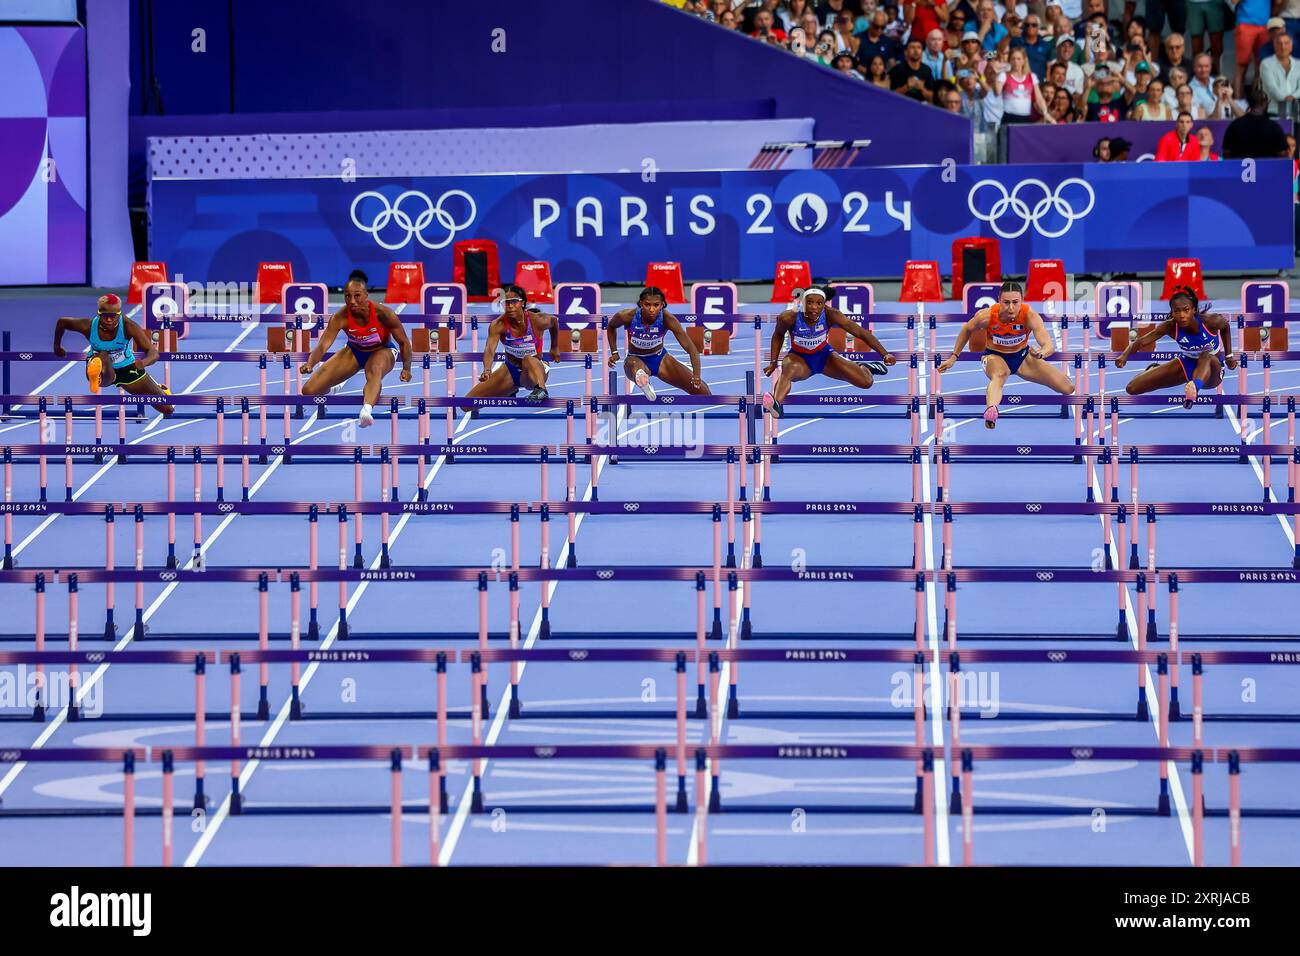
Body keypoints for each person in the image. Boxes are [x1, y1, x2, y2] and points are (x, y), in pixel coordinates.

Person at [936, 280, 1076, 429]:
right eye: (1006, 302)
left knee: (1068, 388)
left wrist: (1041, 353)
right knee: (1000, 374)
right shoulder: (986, 316)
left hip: (1022, 358)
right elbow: (966, 329)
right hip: (994, 356)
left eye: (1015, 302)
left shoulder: (1030, 316)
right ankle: (991, 411)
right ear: (999, 301)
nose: (1011, 308)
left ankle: (994, 407)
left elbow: (1048, 345)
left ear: (1022, 301)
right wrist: (954, 357)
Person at [299, 270, 413, 428]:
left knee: (374, 370)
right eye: (347, 296)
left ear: (366, 295)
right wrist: (310, 363)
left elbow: (404, 342)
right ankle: (331, 389)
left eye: (357, 295)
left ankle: (366, 411)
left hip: (383, 350)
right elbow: (323, 344)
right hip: (354, 351)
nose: (351, 301)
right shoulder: (340, 317)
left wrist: (406, 368)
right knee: (309, 390)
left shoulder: (384, 314)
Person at [762, 285, 896, 419]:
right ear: (802, 302)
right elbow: (778, 335)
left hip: (825, 357)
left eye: (819, 303)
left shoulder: (831, 315)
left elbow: (861, 333)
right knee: (788, 368)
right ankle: (776, 404)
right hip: (799, 359)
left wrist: (884, 354)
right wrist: (773, 362)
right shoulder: (789, 317)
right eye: (809, 302)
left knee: (866, 382)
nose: (814, 307)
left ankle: (864, 367)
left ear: (824, 304)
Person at [52, 293, 175, 417]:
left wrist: (143, 363)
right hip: (102, 368)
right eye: (105, 316)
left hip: (127, 368)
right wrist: (57, 346)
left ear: (119, 313)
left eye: (114, 316)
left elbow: (153, 353)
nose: (109, 319)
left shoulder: (128, 326)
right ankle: (95, 374)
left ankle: (161, 390)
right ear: (99, 313)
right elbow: (62, 322)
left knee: (167, 409)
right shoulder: (88, 326)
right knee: (104, 354)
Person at [1115, 286, 1236, 407]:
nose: (1181, 315)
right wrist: (1124, 355)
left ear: (1194, 310)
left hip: (1212, 369)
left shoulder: (1211, 321)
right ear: (1172, 312)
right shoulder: (1170, 326)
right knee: (1132, 388)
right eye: (1177, 311)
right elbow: (1141, 342)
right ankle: (1155, 370)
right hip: (1187, 363)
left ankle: (1193, 390)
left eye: (1186, 310)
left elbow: (1225, 327)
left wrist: (1229, 356)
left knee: (1205, 355)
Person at [606, 287, 710, 400]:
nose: (651, 309)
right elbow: (611, 326)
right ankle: (643, 380)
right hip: (635, 360)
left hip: (660, 359)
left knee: (704, 393)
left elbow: (691, 349)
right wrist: (614, 352)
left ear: (662, 305)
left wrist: (696, 374)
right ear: (641, 304)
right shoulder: (626, 316)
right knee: (637, 370)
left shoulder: (667, 319)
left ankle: (643, 379)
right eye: (647, 305)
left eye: (656, 305)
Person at [465, 285, 560, 405]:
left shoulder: (537, 320)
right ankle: (510, 390)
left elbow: (554, 322)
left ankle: (541, 389)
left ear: (523, 303)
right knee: (467, 404)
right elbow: (489, 349)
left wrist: (554, 347)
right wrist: (487, 370)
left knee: (528, 359)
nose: (510, 306)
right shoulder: (498, 324)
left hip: (535, 371)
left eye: (514, 302)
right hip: (511, 370)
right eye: (506, 302)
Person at [1222, 85, 1290, 157]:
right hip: (1268, 168)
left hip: (1239, 168)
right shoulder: (1274, 127)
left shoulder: (1234, 125)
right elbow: (1283, 155)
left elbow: (1226, 153)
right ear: (1264, 104)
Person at [996, 46, 1055, 121]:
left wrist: (1046, 114)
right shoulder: (1004, 75)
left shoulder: (1032, 77)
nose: (1016, 62)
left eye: (1018, 59)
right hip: (1008, 117)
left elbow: (1039, 98)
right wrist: (996, 74)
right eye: (1013, 59)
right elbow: (997, 92)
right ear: (1009, 61)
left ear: (1024, 60)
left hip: (1025, 118)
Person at [1261, 33, 1300, 116]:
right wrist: (1288, 99)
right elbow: (1272, 88)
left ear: (1291, 46)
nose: (1283, 47)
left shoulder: (1298, 64)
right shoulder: (1266, 64)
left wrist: (1293, 97)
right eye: (1279, 43)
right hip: (1273, 111)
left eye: (1286, 43)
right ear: (1274, 46)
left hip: (1296, 112)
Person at [1185, 0, 1229, 72]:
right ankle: (1197, 77)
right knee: (1196, 46)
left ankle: (1218, 76)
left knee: (1217, 45)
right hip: (1193, 3)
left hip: (1214, 2)